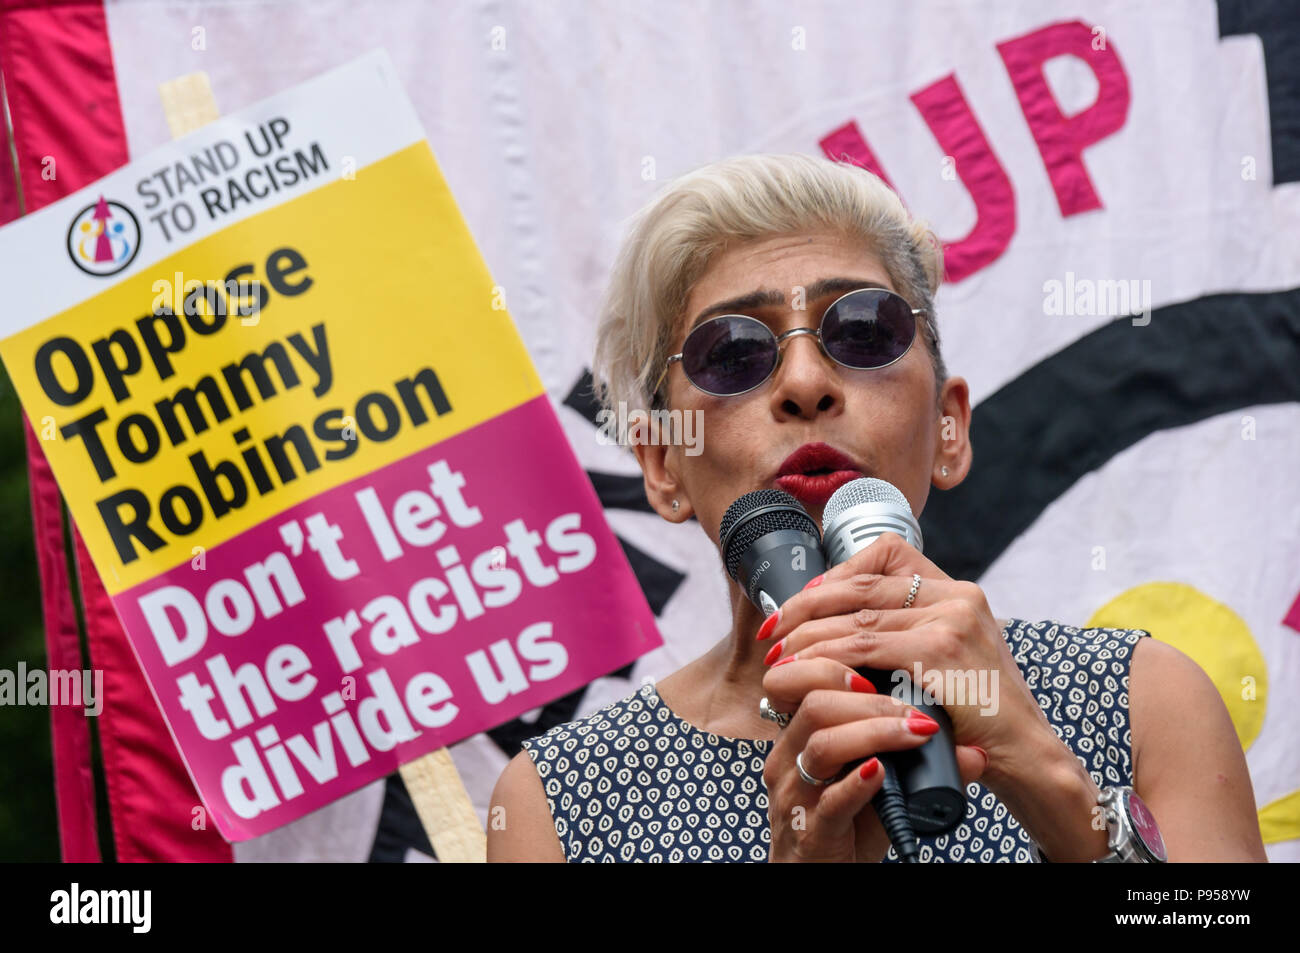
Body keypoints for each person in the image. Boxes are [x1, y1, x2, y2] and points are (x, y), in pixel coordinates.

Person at [486, 153, 1266, 863]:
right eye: (733, 353)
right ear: (663, 465)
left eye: (862, 330)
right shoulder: (560, 804)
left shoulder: (1137, 698)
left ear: (949, 427)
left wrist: (1064, 798)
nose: (802, 383)